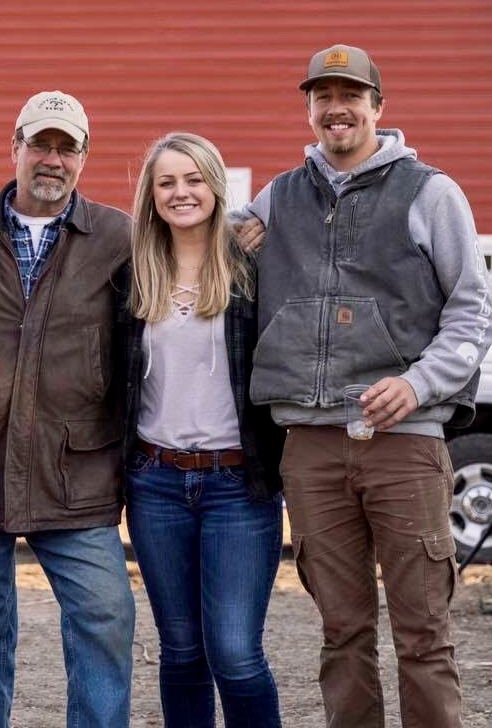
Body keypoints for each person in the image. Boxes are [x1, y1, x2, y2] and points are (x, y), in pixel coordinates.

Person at [240, 45, 492, 728]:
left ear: (377, 108)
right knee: (341, 633)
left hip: (402, 446)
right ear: (309, 109)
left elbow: (473, 309)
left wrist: (417, 385)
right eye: (321, 97)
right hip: (310, 450)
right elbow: (215, 265)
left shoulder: (429, 193)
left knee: (422, 637)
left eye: (350, 96)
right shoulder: (278, 196)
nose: (335, 109)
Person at [0, 90, 134, 728]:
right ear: (15, 147)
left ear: (84, 157)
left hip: (75, 469)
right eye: (40, 144)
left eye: (66, 147)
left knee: (105, 621)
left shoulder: (118, 236)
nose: (52, 159)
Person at [118, 132, 285, 728]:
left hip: (238, 484)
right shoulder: (133, 273)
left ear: (215, 186)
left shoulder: (253, 268)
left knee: (236, 655)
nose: (181, 192)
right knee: (182, 652)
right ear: (151, 194)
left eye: (193, 180)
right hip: (155, 482)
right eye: (167, 182)